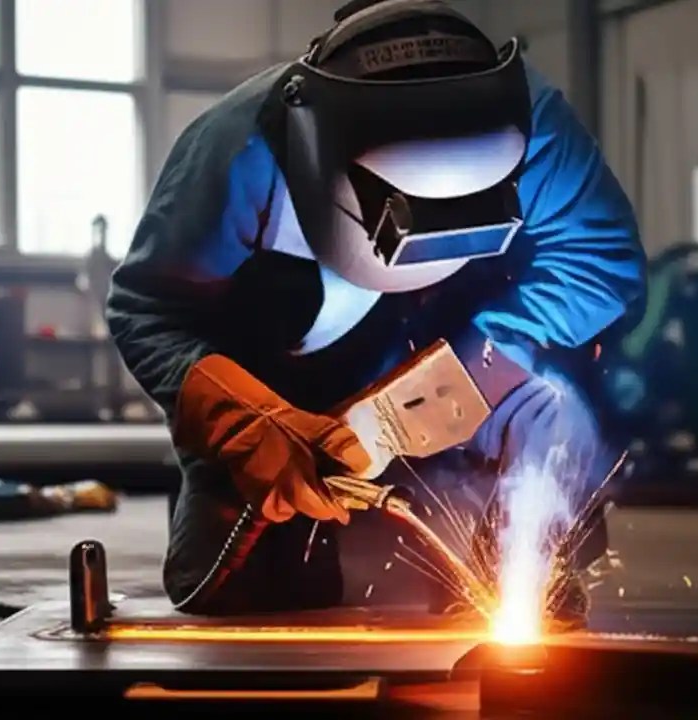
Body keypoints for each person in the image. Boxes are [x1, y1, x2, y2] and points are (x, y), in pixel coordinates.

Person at [106, 0, 645, 623]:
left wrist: (465, 373)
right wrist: (247, 422)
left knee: (571, 370)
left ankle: (522, 540)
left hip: (467, 334)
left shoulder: (536, 123)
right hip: (292, 372)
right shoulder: (240, 149)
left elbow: (600, 261)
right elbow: (151, 308)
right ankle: (265, 487)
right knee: (245, 591)